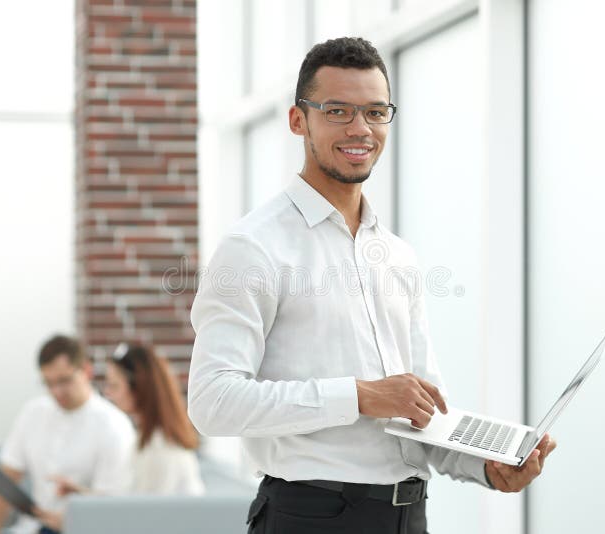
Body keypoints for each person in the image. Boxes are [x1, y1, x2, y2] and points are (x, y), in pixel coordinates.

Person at [187, 37, 558, 534]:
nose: (360, 128)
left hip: (408, 517)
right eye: (338, 110)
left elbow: (420, 411)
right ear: (299, 120)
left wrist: (485, 467)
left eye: (375, 112)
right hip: (311, 518)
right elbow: (212, 403)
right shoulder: (253, 247)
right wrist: (360, 395)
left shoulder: (398, 255)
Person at [0, 334, 135, 534]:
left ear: (86, 371)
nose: (57, 391)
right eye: (48, 383)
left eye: (64, 381)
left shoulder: (114, 426)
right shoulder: (33, 413)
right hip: (31, 528)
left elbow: (109, 508)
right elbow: (5, 481)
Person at [55, 343, 204, 497]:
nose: (107, 392)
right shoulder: (148, 438)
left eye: (114, 385)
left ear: (139, 388)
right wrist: (83, 495)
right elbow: (133, 501)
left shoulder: (161, 447)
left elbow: (144, 513)